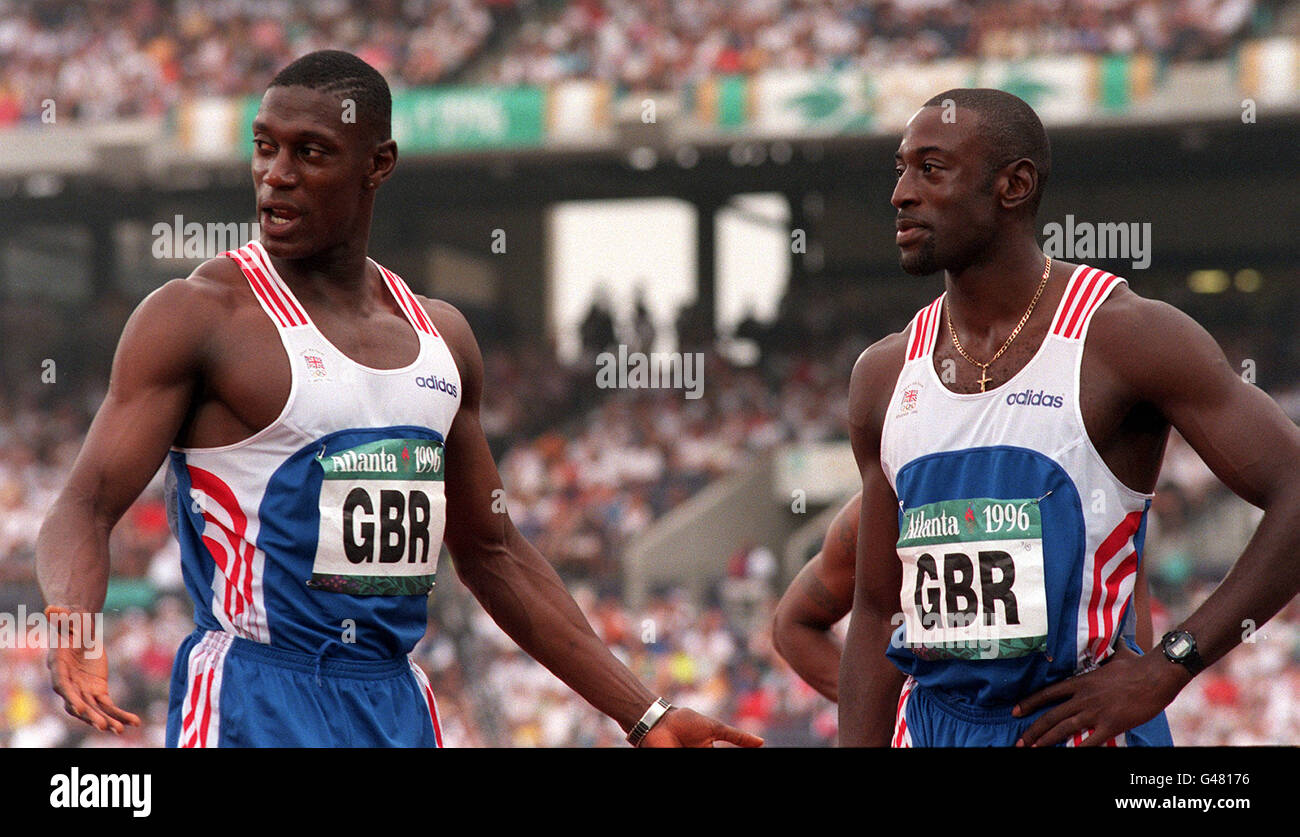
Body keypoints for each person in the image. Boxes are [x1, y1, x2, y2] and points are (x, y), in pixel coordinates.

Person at [35, 50, 763, 749]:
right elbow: (85, 504)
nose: (276, 175)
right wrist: (74, 624)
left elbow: (492, 551)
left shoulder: (442, 338)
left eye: (310, 153)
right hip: (256, 698)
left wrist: (645, 712)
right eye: (264, 148)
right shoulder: (198, 316)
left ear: (377, 164)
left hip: (395, 703)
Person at [838, 88, 1300, 747]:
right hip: (934, 726)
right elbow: (877, 611)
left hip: (1078, 724)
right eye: (901, 169)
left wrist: (1168, 666)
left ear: (1014, 185)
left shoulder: (1125, 337)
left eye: (931, 169)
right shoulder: (884, 374)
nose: (901, 194)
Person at [773, 491, 1154, 705]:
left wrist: (1147, 683)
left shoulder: (1092, 487)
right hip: (943, 728)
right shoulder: (896, 496)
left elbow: (1137, 643)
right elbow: (794, 624)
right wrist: (891, 714)